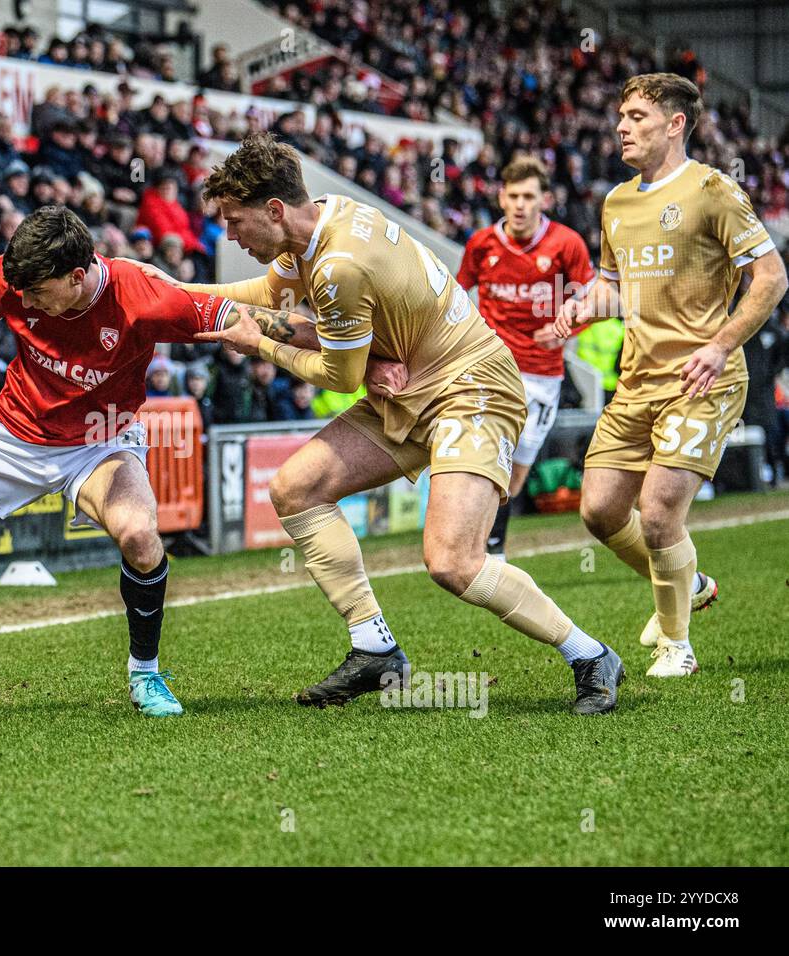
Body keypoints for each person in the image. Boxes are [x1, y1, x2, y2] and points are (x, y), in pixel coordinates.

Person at [0, 205, 310, 721]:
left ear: (77, 277)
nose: (28, 302)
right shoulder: (19, 278)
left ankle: (145, 674)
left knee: (139, 537)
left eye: (39, 294)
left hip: (101, 440)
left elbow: (243, 318)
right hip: (11, 434)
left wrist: (352, 346)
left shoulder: (143, 299)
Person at [177, 133, 625, 715]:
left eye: (234, 222)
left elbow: (338, 375)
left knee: (453, 562)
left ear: (274, 210)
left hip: (472, 387)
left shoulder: (338, 265)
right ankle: (375, 649)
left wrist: (260, 343)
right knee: (296, 488)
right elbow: (262, 297)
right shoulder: (327, 221)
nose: (229, 235)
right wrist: (169, 291)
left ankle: (591, 656)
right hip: (413, 387)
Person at [553, 73, 788, 677]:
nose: (621, 127)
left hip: (702, 379)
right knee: (601, 512)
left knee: (658, 514)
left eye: (636, 117)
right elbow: (613, 287)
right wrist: (582, 307)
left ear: (675, 123)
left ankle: (676, 645)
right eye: (621, 117)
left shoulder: (714, 190)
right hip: (636, 381)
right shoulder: (617, 202)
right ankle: (691, 580)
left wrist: (720, 344)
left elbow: (771, 278)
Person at [455, 156, 595, 558]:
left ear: (545, 199)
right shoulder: (481, 244)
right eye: (513, 195)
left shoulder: (566, 244)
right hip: (490, 366)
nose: (520, 204)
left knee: (516, 471)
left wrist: (566, 328)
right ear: (501, 197)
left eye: (529, 196)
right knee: (484, 455)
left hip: (542, 374)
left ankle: (493, 540)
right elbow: (455, 295)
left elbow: (593, 302)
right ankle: (486, 551)